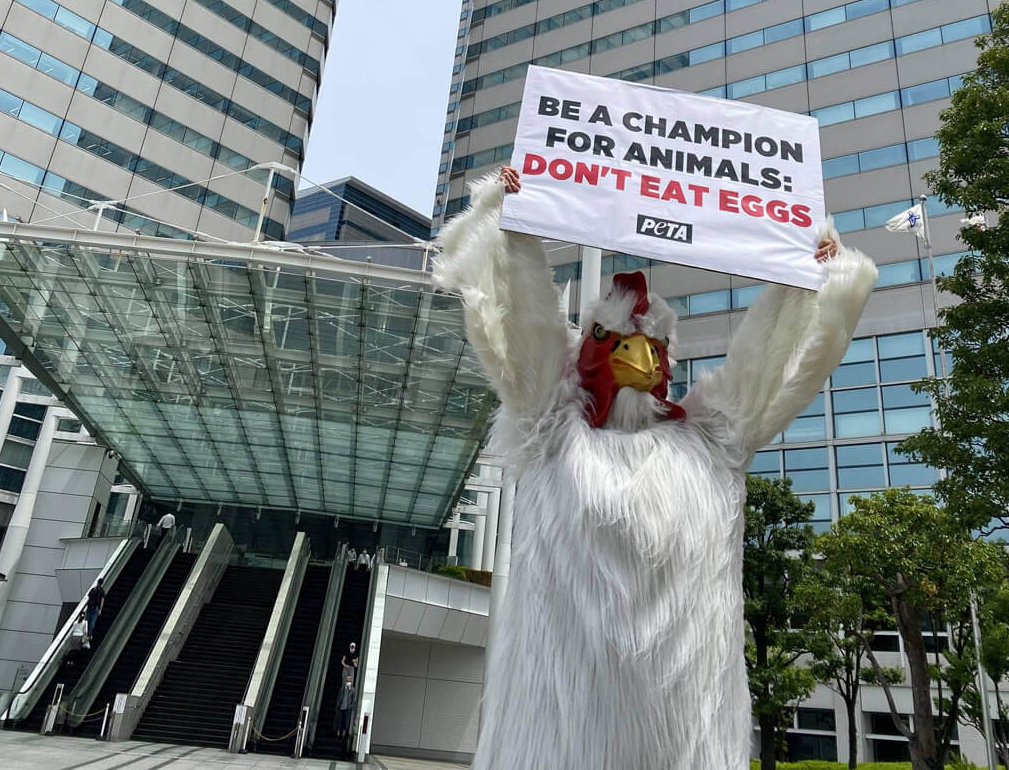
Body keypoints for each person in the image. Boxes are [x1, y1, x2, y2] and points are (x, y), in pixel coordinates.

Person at [433, 165, 876, 770]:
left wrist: (805, 283)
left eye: (653, 347)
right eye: (617, 341)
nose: (641, 358)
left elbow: (767, 366)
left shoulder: (711, 440)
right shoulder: (552, 430)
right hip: (557, 735)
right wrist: (509, 225)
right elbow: (517, 323)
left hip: (687, 738)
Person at [333, 657, 356, 746]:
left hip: (347, 708)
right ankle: (338, 734)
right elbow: (339, 697)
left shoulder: (352, 689)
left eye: (349, 679)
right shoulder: (342, 688)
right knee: (339, 721)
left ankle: (343, 735)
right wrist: (337, 705)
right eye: (348, 679)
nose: (348, 680)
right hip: (341, 707)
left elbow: (353, 699)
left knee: (346, 722)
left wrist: (350, 705)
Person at [83, 580, 106, 647]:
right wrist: (100, 610)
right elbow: (102, 601)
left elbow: (89, 598)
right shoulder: (100, 591)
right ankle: (88, 636)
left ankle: (87, 636)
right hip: (93, 608)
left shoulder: (95, 590)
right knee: (90, 623)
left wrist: (100, 609)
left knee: (88, 623)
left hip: (91, 608)